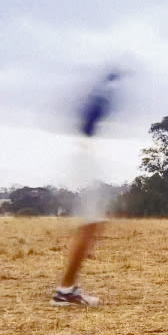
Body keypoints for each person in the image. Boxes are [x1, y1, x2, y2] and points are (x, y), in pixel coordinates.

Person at [51, 70, 121, 307]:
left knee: (92, 226)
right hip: (85, 155)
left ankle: (67, 289)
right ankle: (65, 291)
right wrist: (107, 85)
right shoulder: (93, 105)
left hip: (83, 154)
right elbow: (91, 116)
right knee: (90, 225)